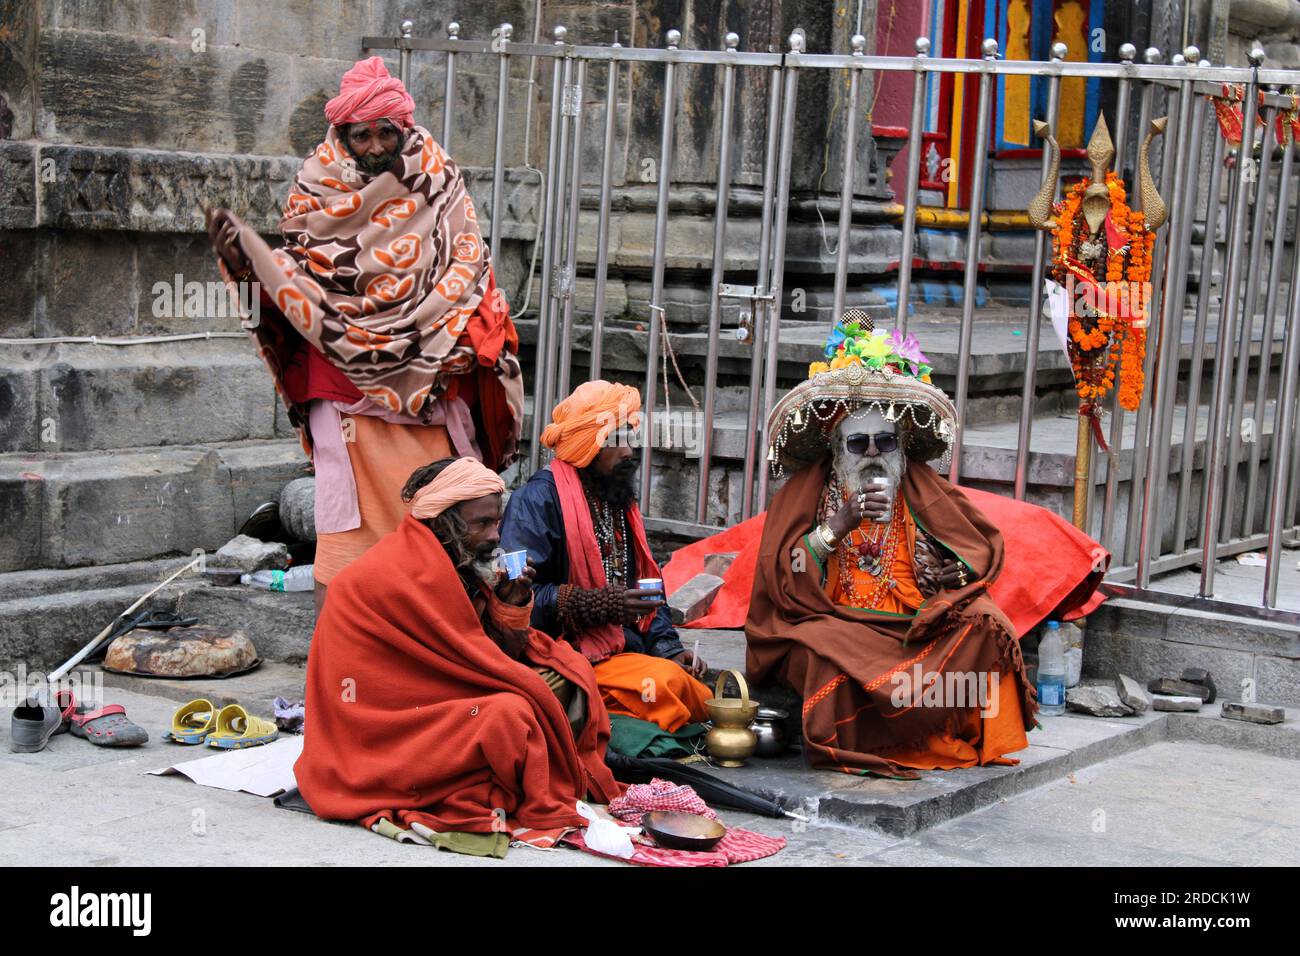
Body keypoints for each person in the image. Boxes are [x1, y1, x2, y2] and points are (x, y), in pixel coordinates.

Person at [204, 56, 524, 613]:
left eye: (385, 133)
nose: (375, 146)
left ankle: (434, 646)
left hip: (427, 370)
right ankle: (339, 654)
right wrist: (254, 265)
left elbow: (468, 263)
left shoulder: (438, 176)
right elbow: (301, 277)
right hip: (342, 377)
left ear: (403, 128)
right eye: (362, 135)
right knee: (346, 531)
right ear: (342, 133)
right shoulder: (315, 182)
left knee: (434, 516)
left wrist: (457, 341)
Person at [745, 317, 1038, 778]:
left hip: (912, 625)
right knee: (823, 659)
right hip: (836, 623)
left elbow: (976, 550)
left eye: (884, 440)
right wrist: (838, 525)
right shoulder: (809, 492)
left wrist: (955, 572)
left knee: (985, 622)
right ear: (837, 447)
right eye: (858, 443)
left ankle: (933, 727)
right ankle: (876, 738)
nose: (872, 452)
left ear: (900, 444)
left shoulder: (918, 486)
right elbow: (784, 577)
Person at [294, 457, 621, 846]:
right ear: (442, 521)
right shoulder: (394, 573)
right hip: (379, 728)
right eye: (481, 523)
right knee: (512, 716)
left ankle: (505, 767)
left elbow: (485, 654)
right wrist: (511, 687)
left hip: (445, 694)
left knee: (571, 671)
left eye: (496, 522)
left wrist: (511, 604)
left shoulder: (460, 561)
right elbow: (453, 667)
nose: (495, 535)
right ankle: (480, 776)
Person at [500, 381, 712, 734]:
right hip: (561, 652)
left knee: (685, 686)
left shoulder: (616, 496)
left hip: (621, 648)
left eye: (629, 438)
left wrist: (668, 647)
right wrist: (600, 603)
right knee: (665, 688)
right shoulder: (536, 501)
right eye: (615, 441)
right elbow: (514, 600)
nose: (629, 452)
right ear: (587, 446)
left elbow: (646, 589)